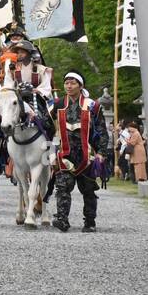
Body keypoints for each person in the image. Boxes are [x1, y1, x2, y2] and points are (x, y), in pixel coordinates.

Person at [50, 72, 107, 233]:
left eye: (73, 83)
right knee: (62, 187)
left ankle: (90, 222)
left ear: (81, 86)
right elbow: (49, 128)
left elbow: (102, 130)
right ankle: (62, 219)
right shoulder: (58, 104)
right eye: (66, 83)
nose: (69, 86)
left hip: (87, 154)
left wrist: (101, 152)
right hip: (65, 153)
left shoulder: (92, 106)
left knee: (88, 190)